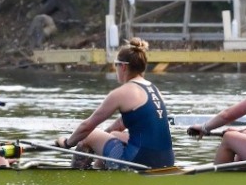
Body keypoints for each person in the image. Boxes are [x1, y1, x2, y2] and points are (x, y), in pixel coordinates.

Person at [57, 38, 175, 169]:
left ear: (123, 66)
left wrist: (67, 143)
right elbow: (119, 126)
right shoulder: (154, 89)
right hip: (167, 161)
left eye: (116, 64)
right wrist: (105, 135)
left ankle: (77, 179)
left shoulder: (122, 92)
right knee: (113, 136)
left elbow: (87, 126)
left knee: (88, 136)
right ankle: (100, 173)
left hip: (139, 161)